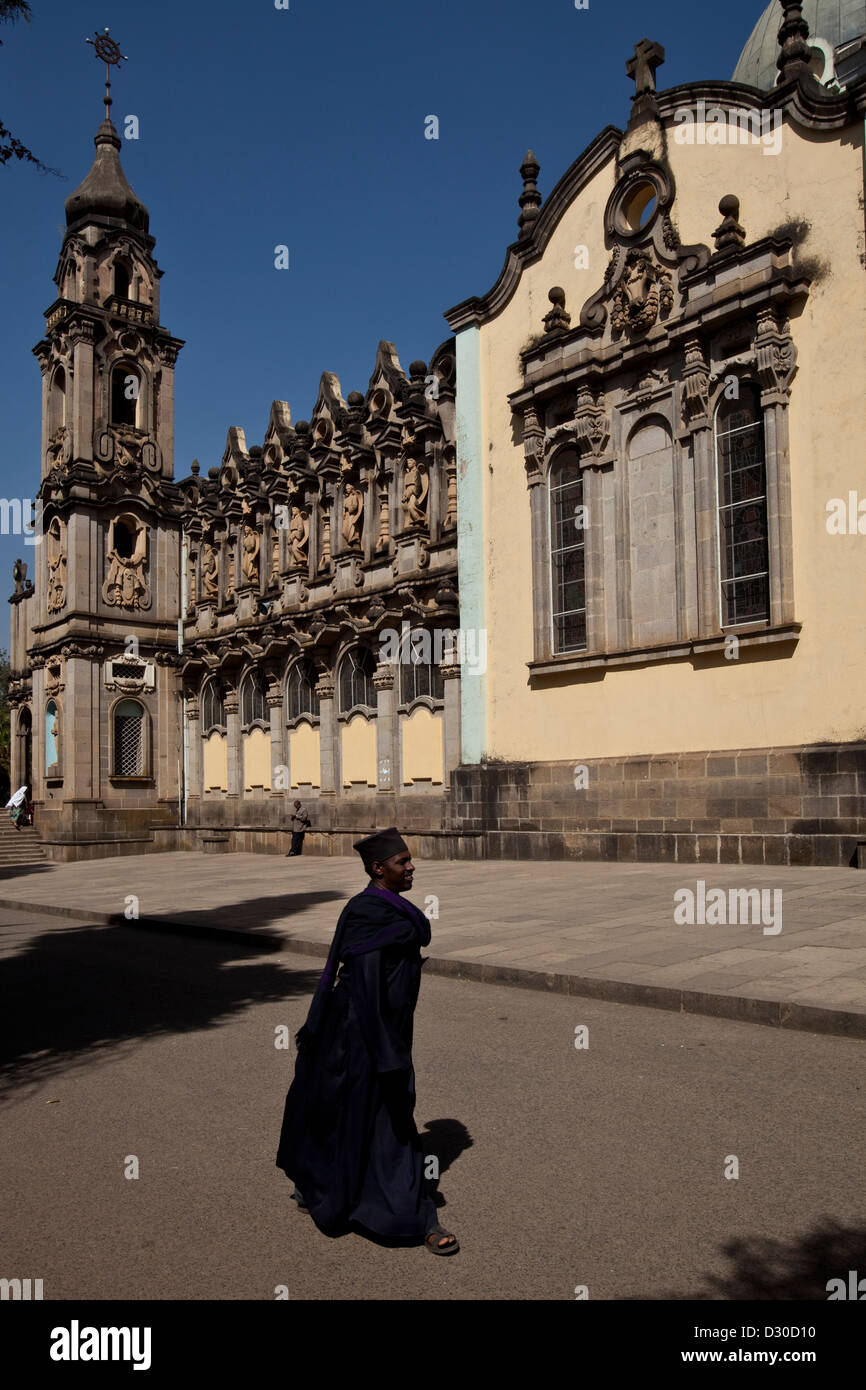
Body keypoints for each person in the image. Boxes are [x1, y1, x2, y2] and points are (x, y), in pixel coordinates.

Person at [275, 827, 458, 1255]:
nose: (411, 866)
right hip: (364, 1034)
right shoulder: (367, 913)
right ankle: (411, 1217)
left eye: (410, 860)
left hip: (383, 1029)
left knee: (358, 1115)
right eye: (402, 862)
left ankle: (325, 1185)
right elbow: (368, 987)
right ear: (379, 869)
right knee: (381, 1117)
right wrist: (387, 1052)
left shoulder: (390, 908)